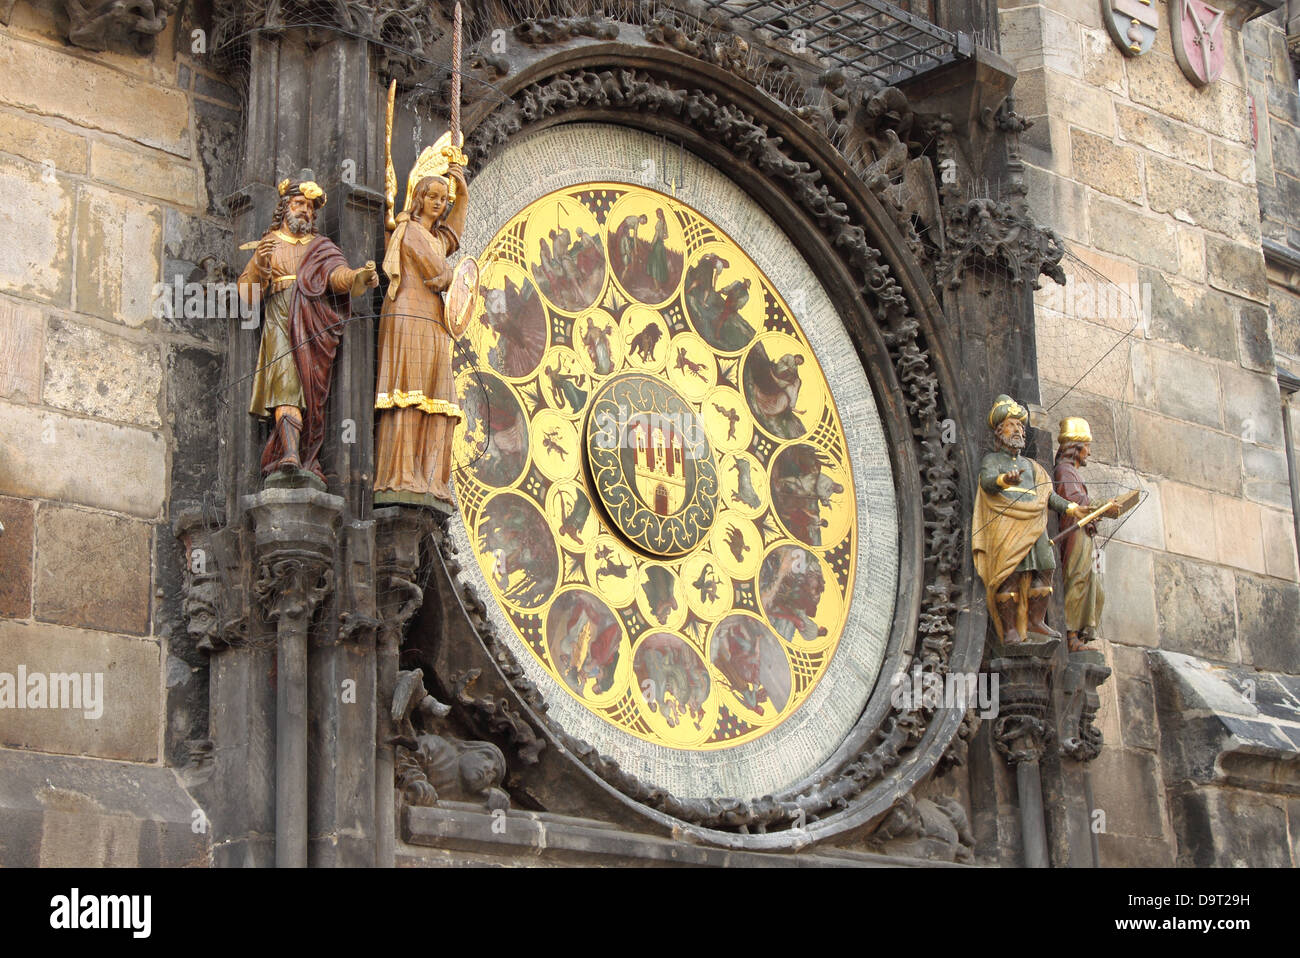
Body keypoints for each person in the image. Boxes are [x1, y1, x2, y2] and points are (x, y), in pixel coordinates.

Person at [242, 171, 378, 482]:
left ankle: (301, 450)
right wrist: (261, 267)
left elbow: (337, 277)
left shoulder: (321, 246)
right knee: (286, 385)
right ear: (284, 208)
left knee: (311, 394)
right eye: (299, 203)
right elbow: (245, 295)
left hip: (312, 325)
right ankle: (290, 452)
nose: (304, 210)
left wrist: (360, 276)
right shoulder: (268, 244)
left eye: (309, 207)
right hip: (279, 319)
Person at [374, 166, 469, 505]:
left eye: (444, 200)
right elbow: (439, 271)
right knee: (409, 391)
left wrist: (463, 196)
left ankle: (431, 478)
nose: (439, 205)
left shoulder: (434, 236)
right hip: (408, 314)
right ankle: (400, 474)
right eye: (433, 197)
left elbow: (451, 237)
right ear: (419, 199)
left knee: (439, 398)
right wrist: (456, 276)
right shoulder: (411, 232)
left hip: (432, 318)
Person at [971, 395, 1083, 644]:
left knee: (1046, 568)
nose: (1019, 430)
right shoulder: (993, 461)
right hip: (1006, 524)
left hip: (1034, 524)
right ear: (999, 432)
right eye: (1012, 425)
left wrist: (1072, 508)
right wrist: (1004, 481)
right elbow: (988, 483)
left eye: (1021, 426)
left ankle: (1035, 621)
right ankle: (1010, 628)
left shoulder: (1032, 466)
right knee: (1008, 574)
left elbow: (1048, 496)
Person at [1053, 417, 1119, 652]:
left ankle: (1081, 633)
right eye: (1087, 447)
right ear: (1076, 447)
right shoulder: (1064, 470)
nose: (1089, 453)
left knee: (1096, 586)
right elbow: (1072, 500)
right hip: (1075, 531)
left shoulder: (1073, 471)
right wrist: (1103, 505)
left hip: (1086, 531)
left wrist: (1104, 508)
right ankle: (1070, 635)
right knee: (1078, 578)